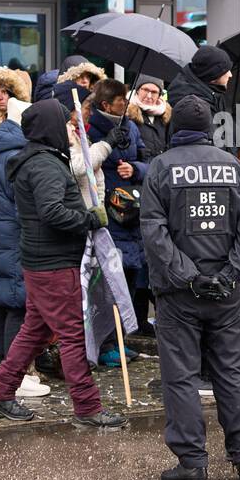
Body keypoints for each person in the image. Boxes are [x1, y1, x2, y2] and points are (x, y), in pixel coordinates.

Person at [140, 96, 240, 480]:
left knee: (181, 376)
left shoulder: (160, 169)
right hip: (226, 292)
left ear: (174, 128)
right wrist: (232, 272)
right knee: (233, 372)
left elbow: (153, 232)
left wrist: (187, 276)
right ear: (211, 128)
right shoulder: (236, 168)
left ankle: (193, 463)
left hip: (179, 293)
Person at [0, 99, 126, 427]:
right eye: (65, 123)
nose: (70, 128)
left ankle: (0, 393)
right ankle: (88, 408)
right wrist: (89, 219)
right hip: (53, 263)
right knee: (73, 334)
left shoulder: (40, 159)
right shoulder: (44, 164)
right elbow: (51, 211)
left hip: (42, 261)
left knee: (35, 330)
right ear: (49, 127)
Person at [0, 96, 49, 397]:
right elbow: (26, 203)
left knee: (2, 301)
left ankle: (4, 365)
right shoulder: (21, 156)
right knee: (17, 302)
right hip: (16, 237)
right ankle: (14, 374)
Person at [85, 78, 148, 360]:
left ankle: (123, 337)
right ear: (105, 104)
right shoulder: (90, 128)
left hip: (132, 212)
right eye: (120, 99)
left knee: (131, 279)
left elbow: (150, 160)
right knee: (109, 280)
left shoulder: (132, 126)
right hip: (108, 215)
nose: (126, 102)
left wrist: (134, 168)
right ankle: (108, 344)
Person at [164, 45, 240, 142]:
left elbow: (231, 133)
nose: (230, 75)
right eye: (225, 71)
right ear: (213, 74)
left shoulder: (212, 92)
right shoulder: (194, 107)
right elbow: (225, 143)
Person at [129, 74, 170, 163]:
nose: (149, 96)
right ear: (137, 90)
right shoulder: (127, 114)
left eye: (154, 92)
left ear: (159, 95)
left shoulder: (166, 116)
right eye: (145, 90)